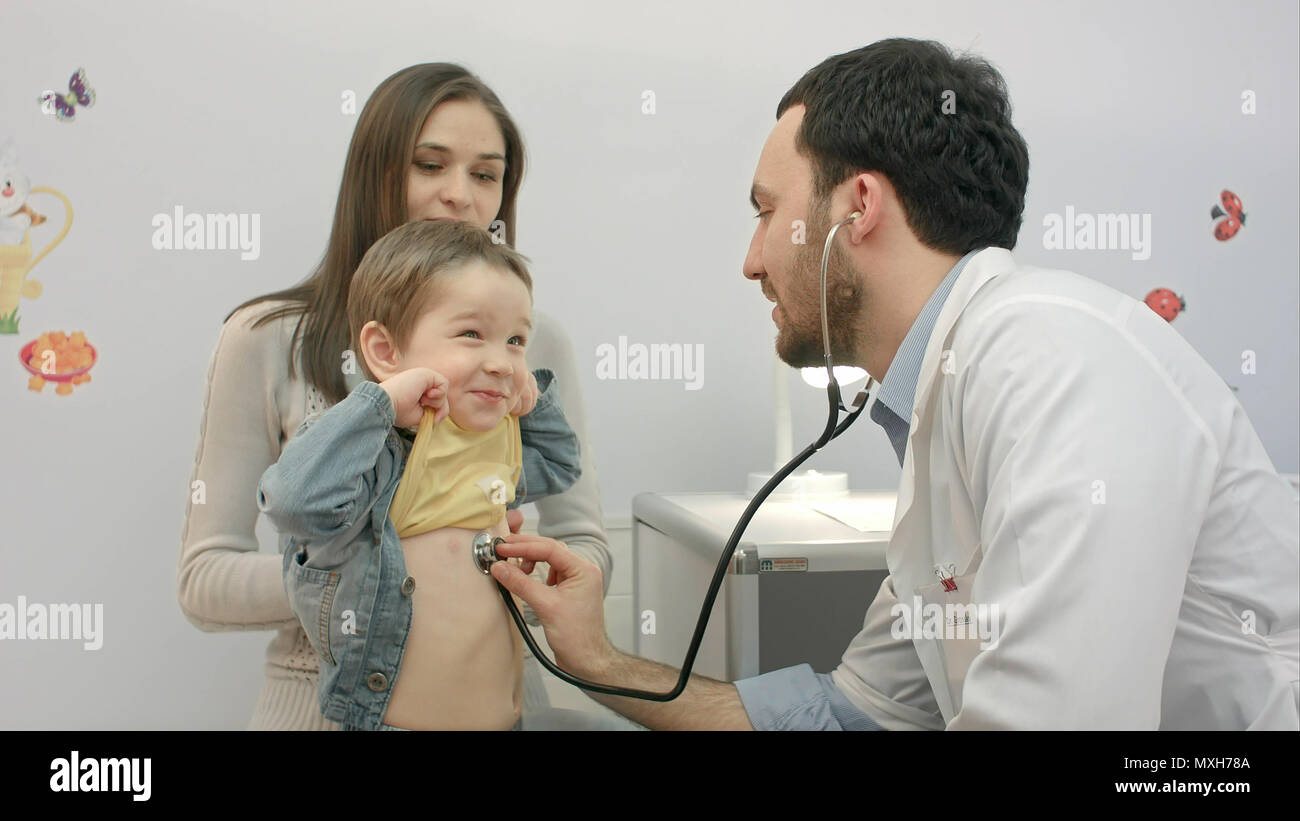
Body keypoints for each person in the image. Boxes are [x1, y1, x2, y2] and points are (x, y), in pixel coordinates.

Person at [489, 38, 1300, 730]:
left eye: (766, 213)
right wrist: (596, 660)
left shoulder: (1048, 360)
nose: (751, 259)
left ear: (858, 207)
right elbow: (848, 714)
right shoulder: (945, 404)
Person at [177, 64, 614, 730]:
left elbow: (586, 545)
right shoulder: (267, 339)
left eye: (485, 174)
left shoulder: (530, 343)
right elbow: (205, 580)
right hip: (318, 705)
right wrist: (365, 573)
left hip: (500, 700)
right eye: (429, 164)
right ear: (372, 176)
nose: (459, 196)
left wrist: (494, 567)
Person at [259, 220, 580, 731]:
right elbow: (293, 501)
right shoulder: (375, 459)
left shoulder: (493, 449)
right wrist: (380, 403)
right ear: (386, 353)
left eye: (516, 340)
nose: (501, 362)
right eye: (472, 334)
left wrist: (532, 401)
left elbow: (562, 466)